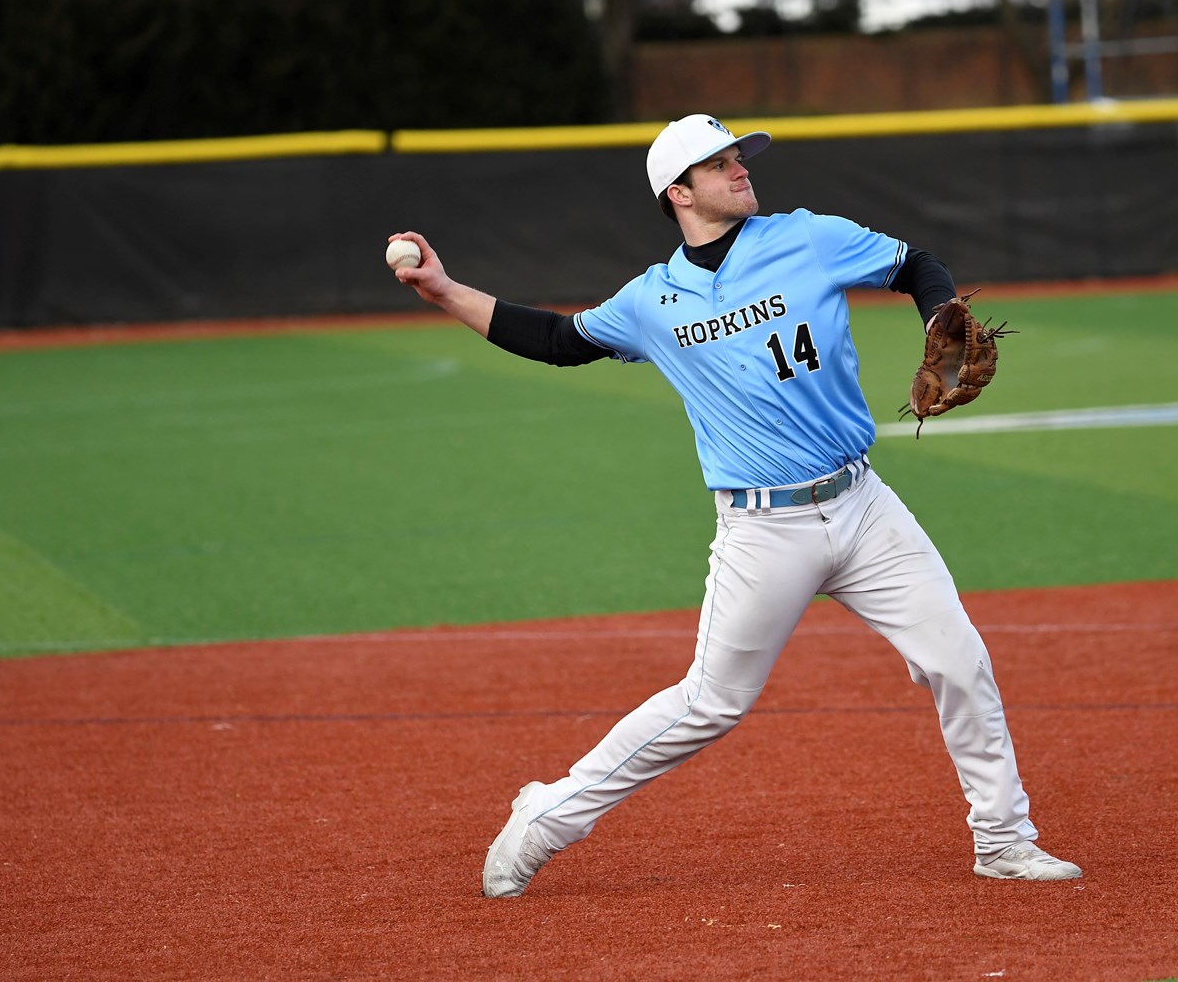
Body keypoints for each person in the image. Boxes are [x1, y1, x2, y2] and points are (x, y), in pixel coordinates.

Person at [389, 114, 1082, 897]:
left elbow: (914, 264)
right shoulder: (651, 302)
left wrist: (936, 315)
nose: (740, 169)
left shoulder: (809, 237)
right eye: (719, 164)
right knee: (709, 705)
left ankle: (1003, 839)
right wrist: (443, 290)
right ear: (678, 193)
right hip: (763, 529)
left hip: (864, 506)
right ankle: (546, 817)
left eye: (739, 157)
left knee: (959, 661)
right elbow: (554, 339)